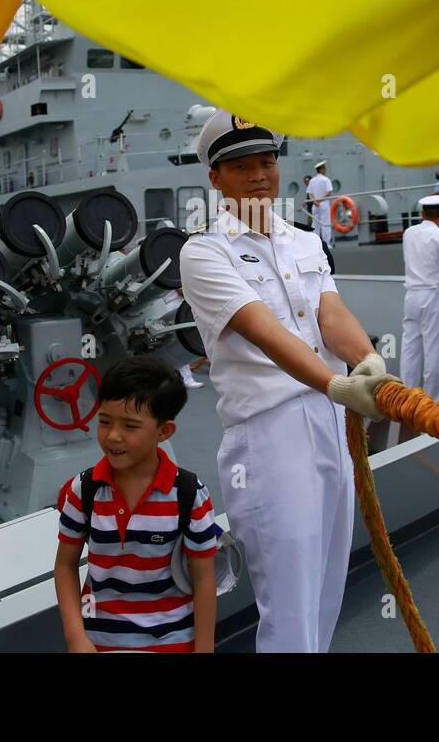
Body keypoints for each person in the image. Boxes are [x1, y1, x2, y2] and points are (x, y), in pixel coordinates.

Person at [178, 109, 396, 652]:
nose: (258, 174)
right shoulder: (205, 252)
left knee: (326, 586)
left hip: (328, 422)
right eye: (240, 165)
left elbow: (331, 314)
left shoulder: (303, 242)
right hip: (268, 435)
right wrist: (336, 383)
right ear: (216, 179)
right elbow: (263, 330)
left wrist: (367, 359)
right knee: (290, 601)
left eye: (266, 160)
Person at [54, 355, 219, 652]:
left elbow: (204, 578)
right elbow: (65, 566)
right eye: (104, 422)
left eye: (130, 426)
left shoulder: (189, 495)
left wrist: (204, 648)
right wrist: (76, 638)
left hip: (172, 639)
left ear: (164, 431)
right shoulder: (84, 490)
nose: (113, 436)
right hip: (97, 640)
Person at [400, 195, 439, 396]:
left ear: (422, 213)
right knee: (432, 348)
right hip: (432, 295)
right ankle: (431, 400)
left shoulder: (409, 233)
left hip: (411, 294)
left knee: (410, 346)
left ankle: (406, 396)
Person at [307, 159, 335, 247]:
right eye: (324, 168)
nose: (325, 169)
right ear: (322, 169)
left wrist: (315, 201)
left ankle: (316, 245)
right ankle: (327, 244)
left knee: (315, 224)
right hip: (324, 204)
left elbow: (310, 193)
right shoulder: (326, 180)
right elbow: (329, 192)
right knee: (326, 223)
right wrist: (320, 200)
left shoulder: (312, 181)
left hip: (315, 205)